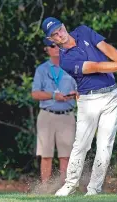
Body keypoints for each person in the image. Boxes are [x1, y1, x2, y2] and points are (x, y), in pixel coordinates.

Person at [41, 17, 117, 196]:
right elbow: (95, 67)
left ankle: (94, 190)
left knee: (105, 145)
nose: (60, 35)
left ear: (64, 26)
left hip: (112, 97)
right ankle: (70, 184)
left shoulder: (83, 31)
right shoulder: (66, 60)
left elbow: (106, 48)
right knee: (82, 145)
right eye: (55, 35)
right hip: (89, 101)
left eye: (60, 29)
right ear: (51, 40)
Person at [31, 38, 77, 184]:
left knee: (66, 155)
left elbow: (80, 90)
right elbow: (35, 94)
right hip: (47, 116)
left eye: (58, 45)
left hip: (67, 115)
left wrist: (73, 94)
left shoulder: (71, 67)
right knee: (46, 155)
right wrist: (53, 95)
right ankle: (45, 189)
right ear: (47, 49)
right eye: (52, 46)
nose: (56, 48)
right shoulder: (42, 69)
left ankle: (65, 187)